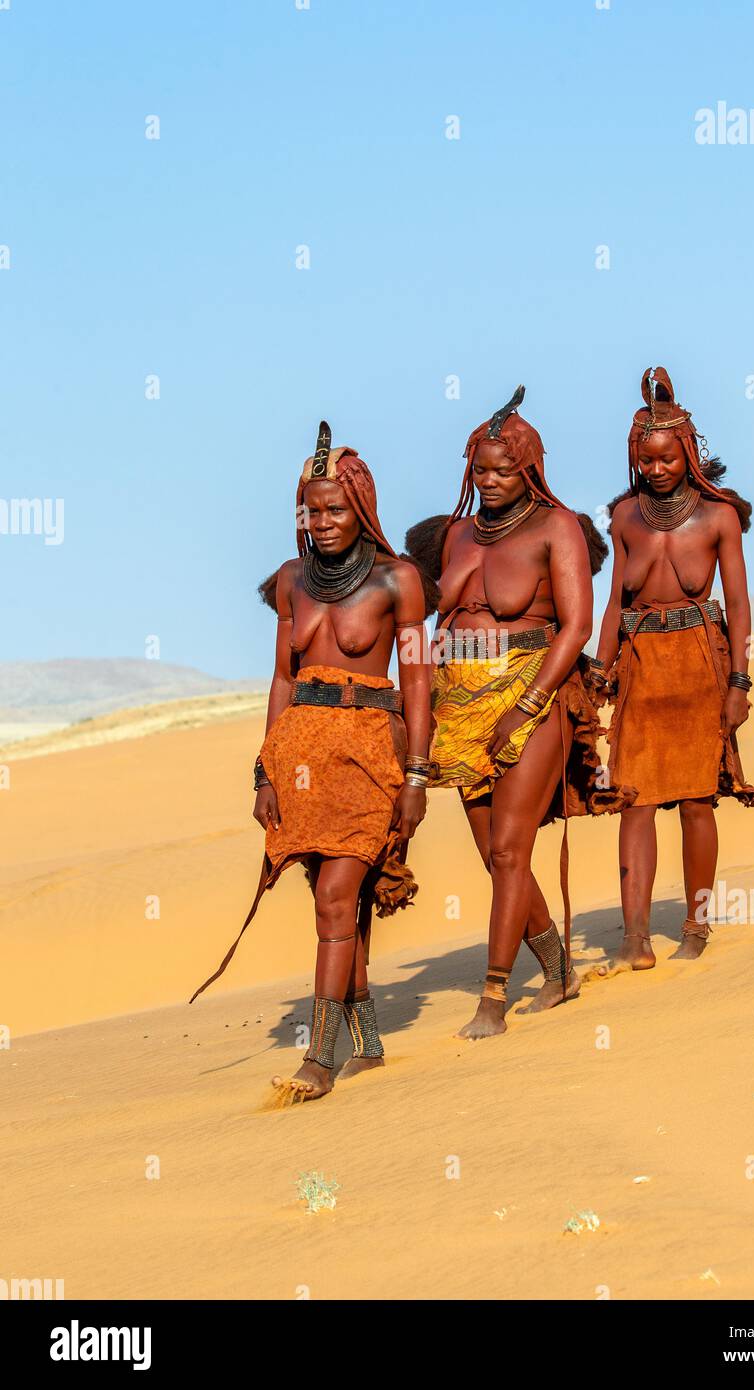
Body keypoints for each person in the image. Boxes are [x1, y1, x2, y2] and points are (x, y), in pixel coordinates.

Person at [190, 422, 432, 1103]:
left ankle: (319, 1060)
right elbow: (280, 680)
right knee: (335, 903)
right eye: (311, 510)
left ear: (362, 508)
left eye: (335, 509)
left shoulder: (399, 579)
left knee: (336, 897)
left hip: (368, 752)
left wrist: (417, 774)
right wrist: (266, 771)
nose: (322, 522)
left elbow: (417, 681)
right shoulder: (291, 581)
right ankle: (370, 1045)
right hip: (300, 755)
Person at [408, 386, 633, 1041]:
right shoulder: (451, 536)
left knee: (510, 851)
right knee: (494, 855)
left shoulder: (556, 528)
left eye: (505, 469)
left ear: (530, 466)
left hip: (532, 691)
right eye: (481, 469)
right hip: (459, 702)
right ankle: (559, 969)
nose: (491, 480)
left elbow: (577, 626)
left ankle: (493, 999)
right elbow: (425, 621)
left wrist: (529, 706)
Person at [591, 367, 754, 972]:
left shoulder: (719, 517)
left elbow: (737, 604)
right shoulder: (626, 517)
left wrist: (740, 681)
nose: (657, 469)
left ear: (686, 452)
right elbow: (616, 600)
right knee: (632, 800)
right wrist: (600, 668)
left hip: (697, 664)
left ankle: (697, 924)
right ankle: (634, 938)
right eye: (647, 459)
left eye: (666, 458)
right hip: (639, 665)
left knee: (695, 801)